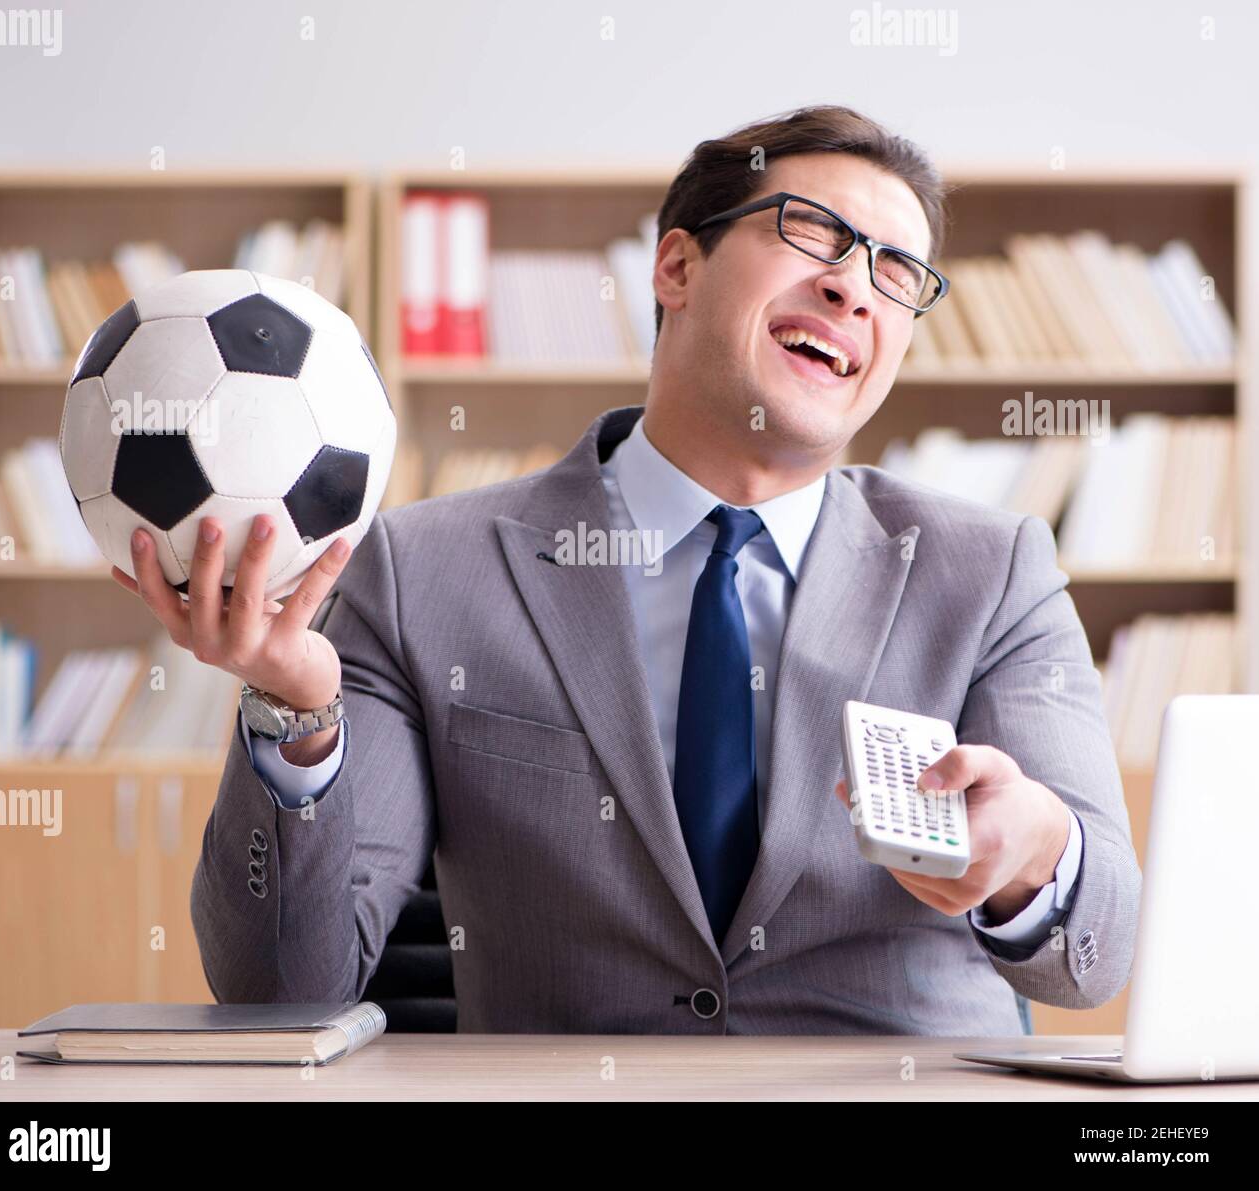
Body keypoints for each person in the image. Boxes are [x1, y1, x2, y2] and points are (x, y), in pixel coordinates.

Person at [116, 104, 1139, 1034]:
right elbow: (282, 991)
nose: (850, 287)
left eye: (895, 273)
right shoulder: (421, 569)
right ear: (675, 270)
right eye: (811, 234)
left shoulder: (990, 572)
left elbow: (1095, 960)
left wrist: (1036, 853)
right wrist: (294, 718)